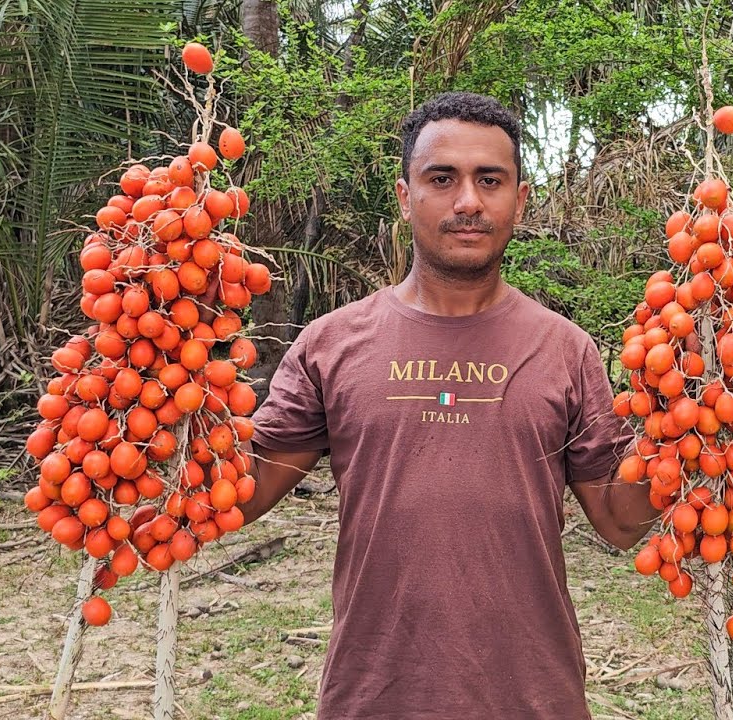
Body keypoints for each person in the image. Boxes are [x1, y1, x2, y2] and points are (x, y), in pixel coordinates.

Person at [238, 92, 655, 720]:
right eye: (442, 179)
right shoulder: (332, 343)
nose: (468, 202)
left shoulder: (564, 349)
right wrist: (163, 402)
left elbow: (621, 524)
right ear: (406, 197)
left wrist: (692, 431)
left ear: (519, 198)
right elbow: (242, 496)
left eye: (490, 180)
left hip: (533, 696)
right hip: (374, 694)